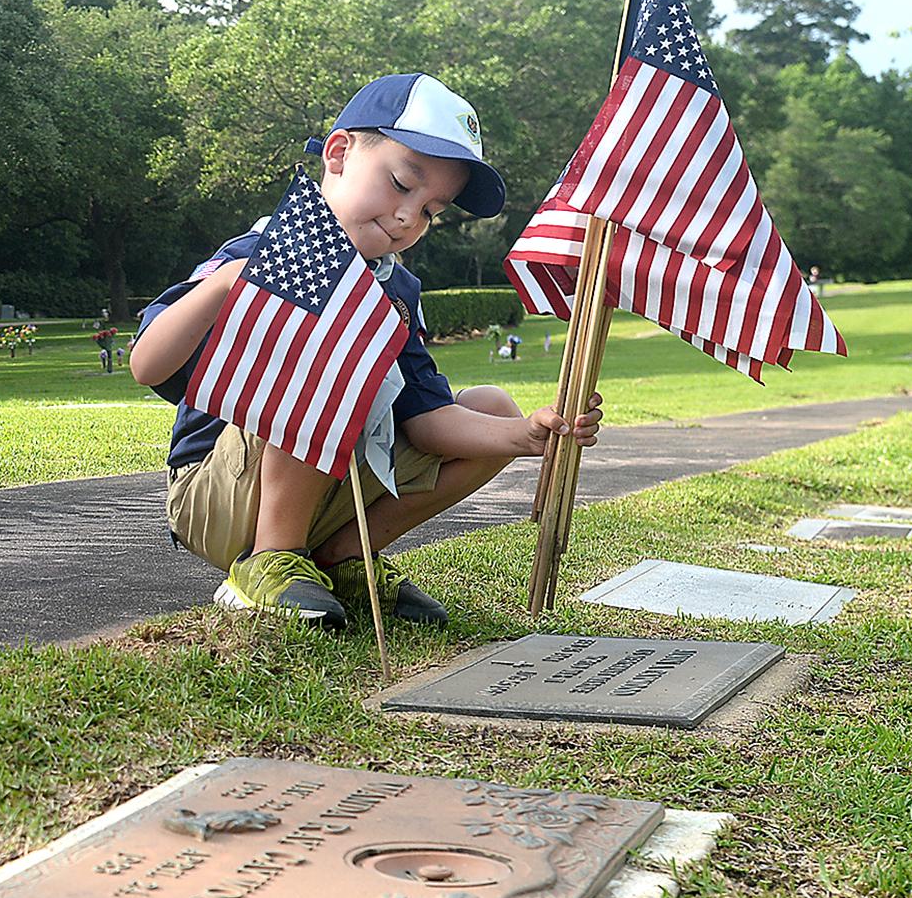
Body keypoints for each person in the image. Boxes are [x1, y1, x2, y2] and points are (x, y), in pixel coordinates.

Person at [130, 73, 603, 627]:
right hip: (219, 492)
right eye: (402, 184)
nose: (409, 217)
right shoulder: (265, 252)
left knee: (493, 407)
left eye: (431, 210)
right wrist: (228, 283)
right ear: (338, 155)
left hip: (331, 490)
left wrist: (524, 435)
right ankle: (268, 560)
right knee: (328, 334)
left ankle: (341, 559)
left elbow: (426, 420)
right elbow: (148, 365)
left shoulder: (397, 290)